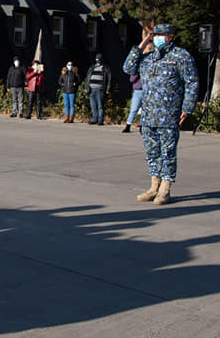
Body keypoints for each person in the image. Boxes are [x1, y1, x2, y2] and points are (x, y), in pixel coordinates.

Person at [122, 24, 198, 205]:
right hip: (148, 115)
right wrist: (143, 43)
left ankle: (165, 189)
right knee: (152, 152)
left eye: (160, 35)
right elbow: (127, 67)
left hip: (169, 114)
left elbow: (192, 82)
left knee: (168, 152)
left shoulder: (181, 56)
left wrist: (187, 107)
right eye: (154, 35)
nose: (157, 38)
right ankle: (153, 187)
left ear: (170, 36)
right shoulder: (148, 58)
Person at [85, 53, 112, 125]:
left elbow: (109, 79)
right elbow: (87, 78)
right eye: (97, 59)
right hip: (91, 89)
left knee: (100, 105)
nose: (98, 60)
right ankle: (94, 119)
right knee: (93, 105)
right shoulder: (92, 67)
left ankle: (100, 120)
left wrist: (107, 89)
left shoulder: (105, 68)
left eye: (99, 59)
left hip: (100, 89)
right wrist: (86, 87)